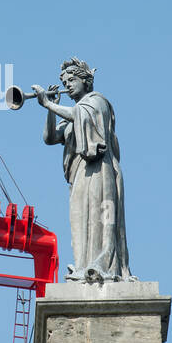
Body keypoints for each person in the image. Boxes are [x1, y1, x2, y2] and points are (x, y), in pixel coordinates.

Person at [31, 57, 132, 284]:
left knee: (100, 217)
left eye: (72, 80)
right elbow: (50, 138)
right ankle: (83, 266)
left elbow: (80, 115)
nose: (68, 85)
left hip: (100, 171)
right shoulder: (72, 112)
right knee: (80, 221)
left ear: (86, 81)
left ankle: (102, 265)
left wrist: (49, 105)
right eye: (65, 81)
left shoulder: (97, 102)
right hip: (79, 175)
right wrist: (50, 108)